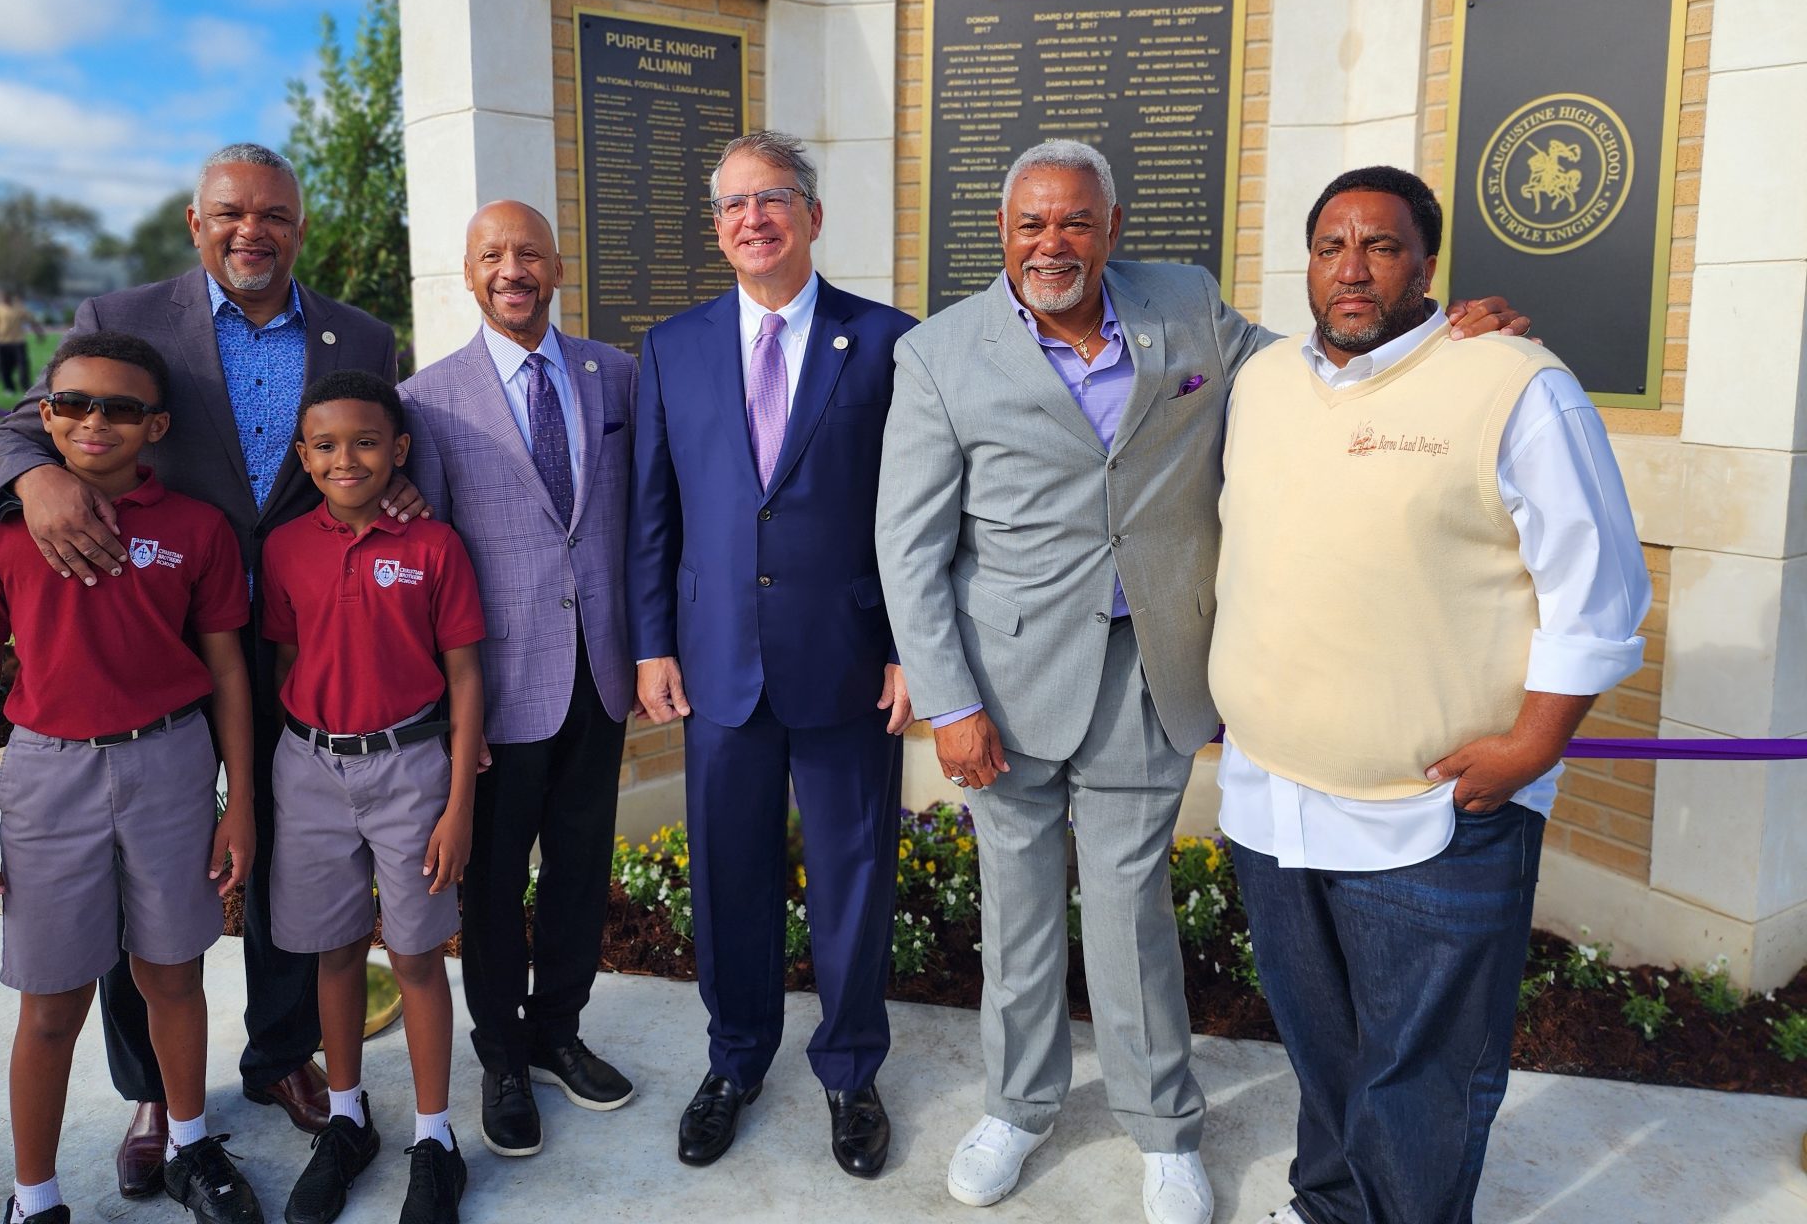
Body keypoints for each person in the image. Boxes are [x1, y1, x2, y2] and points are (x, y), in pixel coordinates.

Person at [875, 140, 1527, 1223]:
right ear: (1001, 233)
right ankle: (1018, 1108)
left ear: (1112, 228)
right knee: (1019, 913)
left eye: (1075, 222)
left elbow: (1322, 373)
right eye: (1031, 224)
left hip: (1149, 671)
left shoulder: (1184, 306)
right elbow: (909, 545)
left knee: (1132, 915)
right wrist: (948, 703)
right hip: (1001, 684)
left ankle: (1161, 1127)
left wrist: (1446, 337)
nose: (1053, 243)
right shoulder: (939, 355)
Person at [1209, 166, 1647, 1224]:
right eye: (1329, 248)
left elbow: (1597, 590)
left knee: (1422, 1079)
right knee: (1324, 1056)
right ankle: (1326, 1208)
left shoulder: (1509, 381)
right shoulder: (1261, 380)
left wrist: (1530, 747)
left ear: (1426, 264)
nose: (1350, 270)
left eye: (1381, 246)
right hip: (1271, 798)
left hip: (1432, 813)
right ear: (1304, 264)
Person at [0, 143, 409, 1197]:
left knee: (286, 850)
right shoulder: (120, 318)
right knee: (142, 878)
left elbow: (386, 446)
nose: (250, 232)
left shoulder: (359, 335)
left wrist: (405, 496)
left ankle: (277, 1057)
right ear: (194, 221)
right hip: (159, 647)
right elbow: (24, 427)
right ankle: (150, 1095)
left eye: (274, 216)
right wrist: (34, 482)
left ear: (302, 228)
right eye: (229, 214)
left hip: (306, 642)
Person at [628, 129, 915, 1179]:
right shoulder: (670, 347)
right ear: (716, 227)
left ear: (812, 216)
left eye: (774, 197)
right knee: (727, 875)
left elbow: (916, 515)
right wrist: (652, 644)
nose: (753, 217)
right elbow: (652, 515)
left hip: (845, 660)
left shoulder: (886, 341)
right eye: (733, 204)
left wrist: (909, 650)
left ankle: (847, 1068)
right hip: (715, 666)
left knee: (851, 874)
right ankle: (735, 1058)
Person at [0, 330, 265, 1224]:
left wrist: (238, 803)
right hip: (49, 776)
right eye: (74, 404)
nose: (95, 422)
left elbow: (229, 670)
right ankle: (34, 1197)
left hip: (168, 761)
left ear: (155, 424)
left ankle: (194, 1147)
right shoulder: (0, 529)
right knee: (51, 1004)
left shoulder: (193, 529)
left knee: (172, 975)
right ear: (44, 415)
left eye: (120, 408)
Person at [398, 200, 640, 1159]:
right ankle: (500, 1054)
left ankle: (559, 1031)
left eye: (529, 253)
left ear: (556, 267)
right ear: (468, 273)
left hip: (601, 676)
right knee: (494, 884)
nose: (513, 269)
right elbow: (433, 566)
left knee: (582, 867)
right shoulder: (428, 401)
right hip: (495, 689)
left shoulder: (614, 374)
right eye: (493, 255)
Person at [260, 371, 485, 1224]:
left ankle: (435, 1138)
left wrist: (458, 803)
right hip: (310, 769)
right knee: (336, 950)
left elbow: (466, 675)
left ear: (398, 450)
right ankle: (347, 1119)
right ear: (303, 456)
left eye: (365, 442)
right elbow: (285, 660)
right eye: (325, 445)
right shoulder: (284, 548)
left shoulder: (433, 546)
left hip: (411, 771)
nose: (345, 458)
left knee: (420, 957)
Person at [0, 289, 47, 395]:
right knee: (4, 367)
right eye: (1, 297)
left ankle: (25, 386)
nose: (2, 299)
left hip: (18, 342)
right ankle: (9, 387)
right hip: (2, 343)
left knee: (22, 366)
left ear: (9, 297)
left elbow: (32, 321)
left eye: (4, 296)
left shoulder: (19, 308)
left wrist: (39, 333)